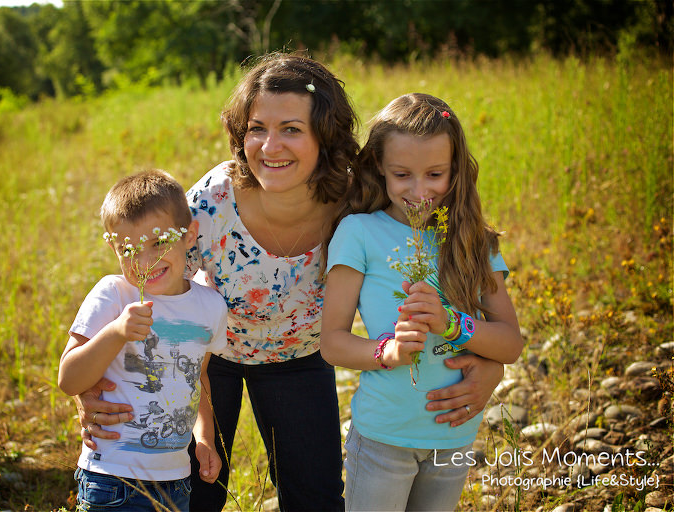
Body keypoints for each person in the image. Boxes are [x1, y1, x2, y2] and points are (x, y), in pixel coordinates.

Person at [73, 54, 507, 511]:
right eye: (257, 128)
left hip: (298, 356)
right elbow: (140, 282)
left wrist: (492, 365)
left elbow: (443, 256)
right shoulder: (211, 202)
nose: (270, 146)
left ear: (326, 135)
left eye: (292, 129)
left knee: (315, 498)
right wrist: (89, 384)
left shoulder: (357, 199)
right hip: (202, 356)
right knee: (196, 491)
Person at [320, 93, 524, 511]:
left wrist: (454, 324)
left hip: (454, 437)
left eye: (435, 174)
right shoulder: (358, 232)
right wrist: (388, 351)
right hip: (383, 436)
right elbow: (332, 342)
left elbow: (510, 344)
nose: (419, 190)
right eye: (402, 175)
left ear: (456, 170)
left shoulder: (472, 240)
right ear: (379, 166)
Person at [58, 169, 228, 511]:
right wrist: (116, 332)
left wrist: (204, 438)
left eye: (159, 243)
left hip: (176, 480)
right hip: (111, 479)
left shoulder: (210, 306)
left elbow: (198, 379)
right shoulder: (114, 295)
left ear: (189, 235)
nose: (145, 261)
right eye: (129, 249)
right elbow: (69, 378)